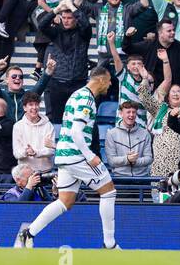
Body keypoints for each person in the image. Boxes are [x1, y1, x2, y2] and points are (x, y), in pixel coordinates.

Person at [17, 69, 120, 250]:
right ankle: (110, 244)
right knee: (109, 192)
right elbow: (76, 132)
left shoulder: (76, 95)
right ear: (101, 79)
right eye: (109, 80)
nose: (110, 84)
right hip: (77, 156)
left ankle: (29, 232)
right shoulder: (87, 99)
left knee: (65, 201)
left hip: (64, 156)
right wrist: (90, 156)